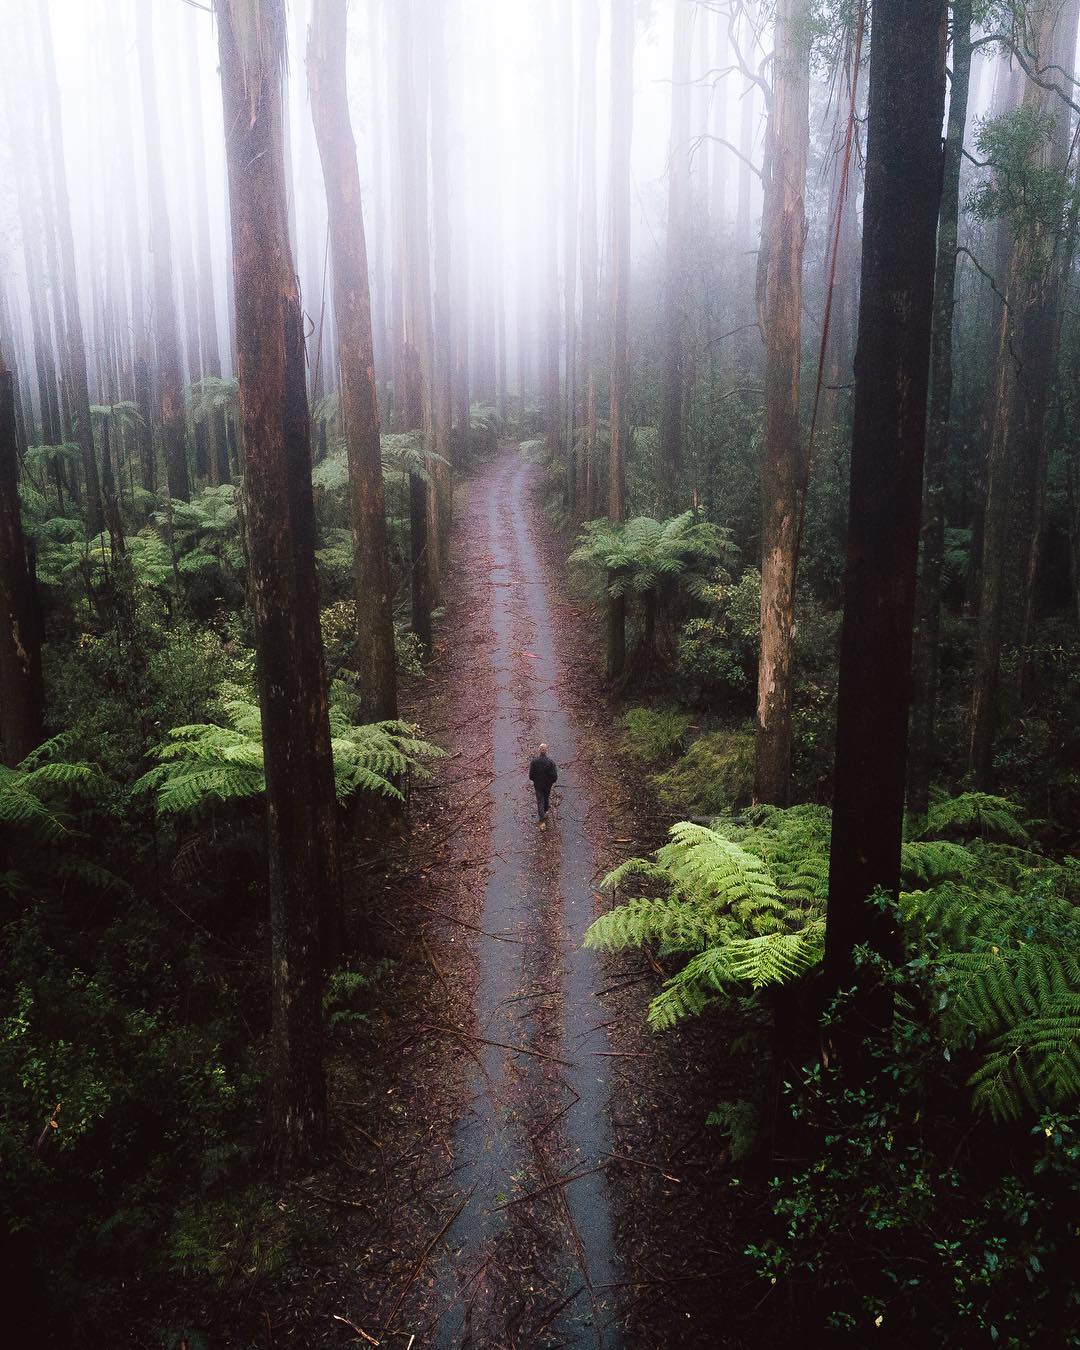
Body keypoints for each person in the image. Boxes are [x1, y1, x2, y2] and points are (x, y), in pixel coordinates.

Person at [528, 742, 558, 830]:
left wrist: (535, 780)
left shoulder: (534, 762)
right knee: (546, 798)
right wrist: (551, 782)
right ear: (546, 751)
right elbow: (554, 776)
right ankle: (545, 812)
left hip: (538, 785)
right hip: (547, 785)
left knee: (540, 801)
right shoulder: (551, 762)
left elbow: (531, 776)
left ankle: (542, 821)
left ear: (539, 751)